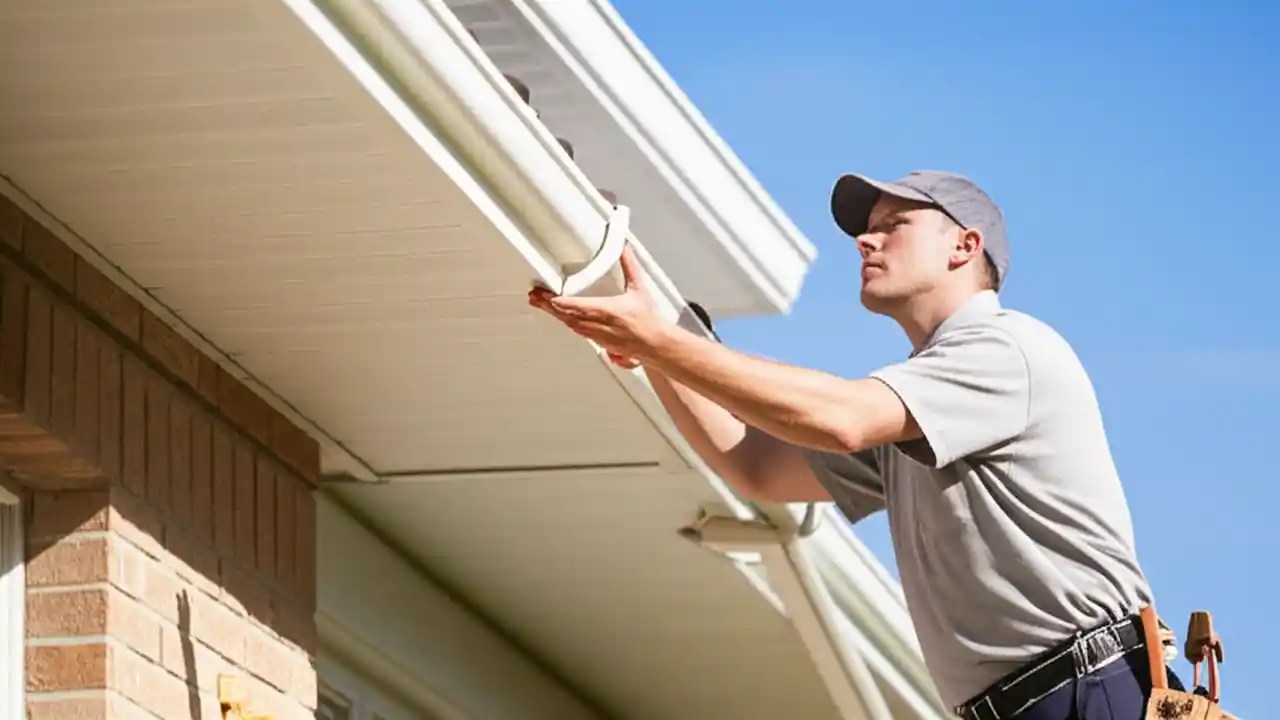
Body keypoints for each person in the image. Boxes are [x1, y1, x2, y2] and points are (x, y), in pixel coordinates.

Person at [528, 170, 1169, 720]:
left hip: (1085, 692)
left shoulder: (1007, 349)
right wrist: (657, 349)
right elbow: (755, 466)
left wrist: (663, 344)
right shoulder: (918, 410)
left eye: (894, 224)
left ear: (963, 246)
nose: (867, 238)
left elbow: (840, 419)